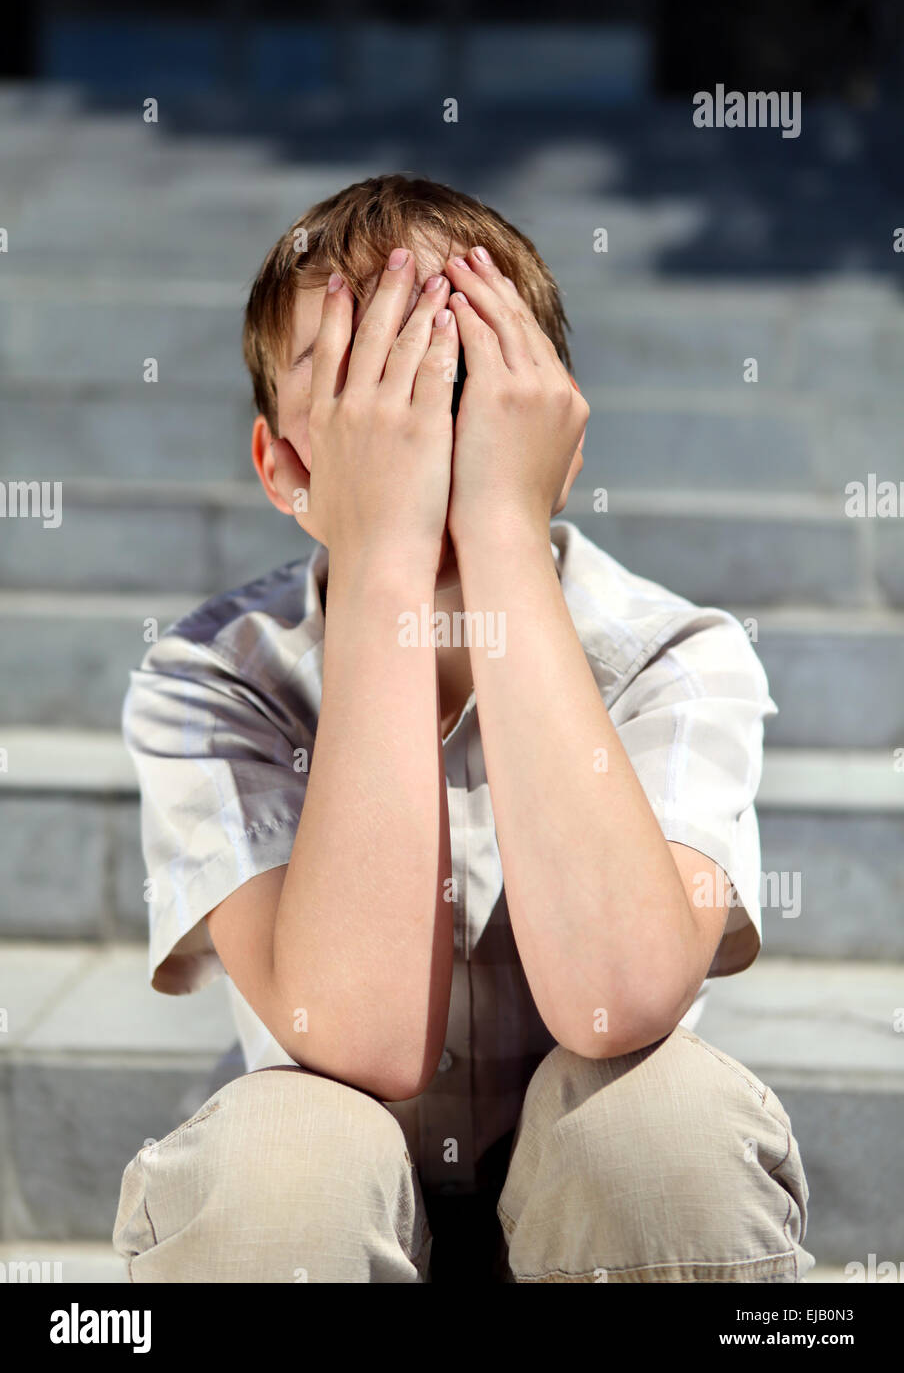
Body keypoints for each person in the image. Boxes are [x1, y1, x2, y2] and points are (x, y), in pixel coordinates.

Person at [113, 173, 813, 1283]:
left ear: (559, 445)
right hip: (349, 1219)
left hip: (600, 1230)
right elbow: (362, 1034)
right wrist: (388, 553)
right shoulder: (211, 679)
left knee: (663, 1130)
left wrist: (494, 524)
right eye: (363, 379)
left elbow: (616, 995)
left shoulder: (673, 652)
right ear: (283, 467)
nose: (421, 412)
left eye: (464, 370)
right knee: (269, 1164)